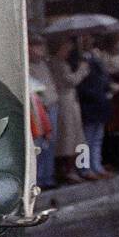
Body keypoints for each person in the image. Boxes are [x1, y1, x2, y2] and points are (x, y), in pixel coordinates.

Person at [48, 37, 88, 184]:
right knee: (68, 137)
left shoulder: (60, 63)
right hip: (65, 103)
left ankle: (75, 168)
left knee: (75, 136)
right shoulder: (57, 63)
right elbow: (71, 80)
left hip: (71, 101)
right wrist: (82, 69)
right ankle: (67, 170)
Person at [75, 34, 112, 179]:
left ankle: (96, 166)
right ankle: (84, 168)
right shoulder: (80, 61)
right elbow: (82, 84)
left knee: (97, 138)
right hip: (88, 103)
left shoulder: (96, 58)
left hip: (99, 102)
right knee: (85, 139)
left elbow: (103, 78)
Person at [27, 32, 58, 188]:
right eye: (38, 47)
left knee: (50, 142)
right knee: (40, 143)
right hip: (41, 108)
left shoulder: (44, 64)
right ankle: (38, 179)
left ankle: (48, 176)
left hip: (52, 105)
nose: (41, 50)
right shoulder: (28, 66)